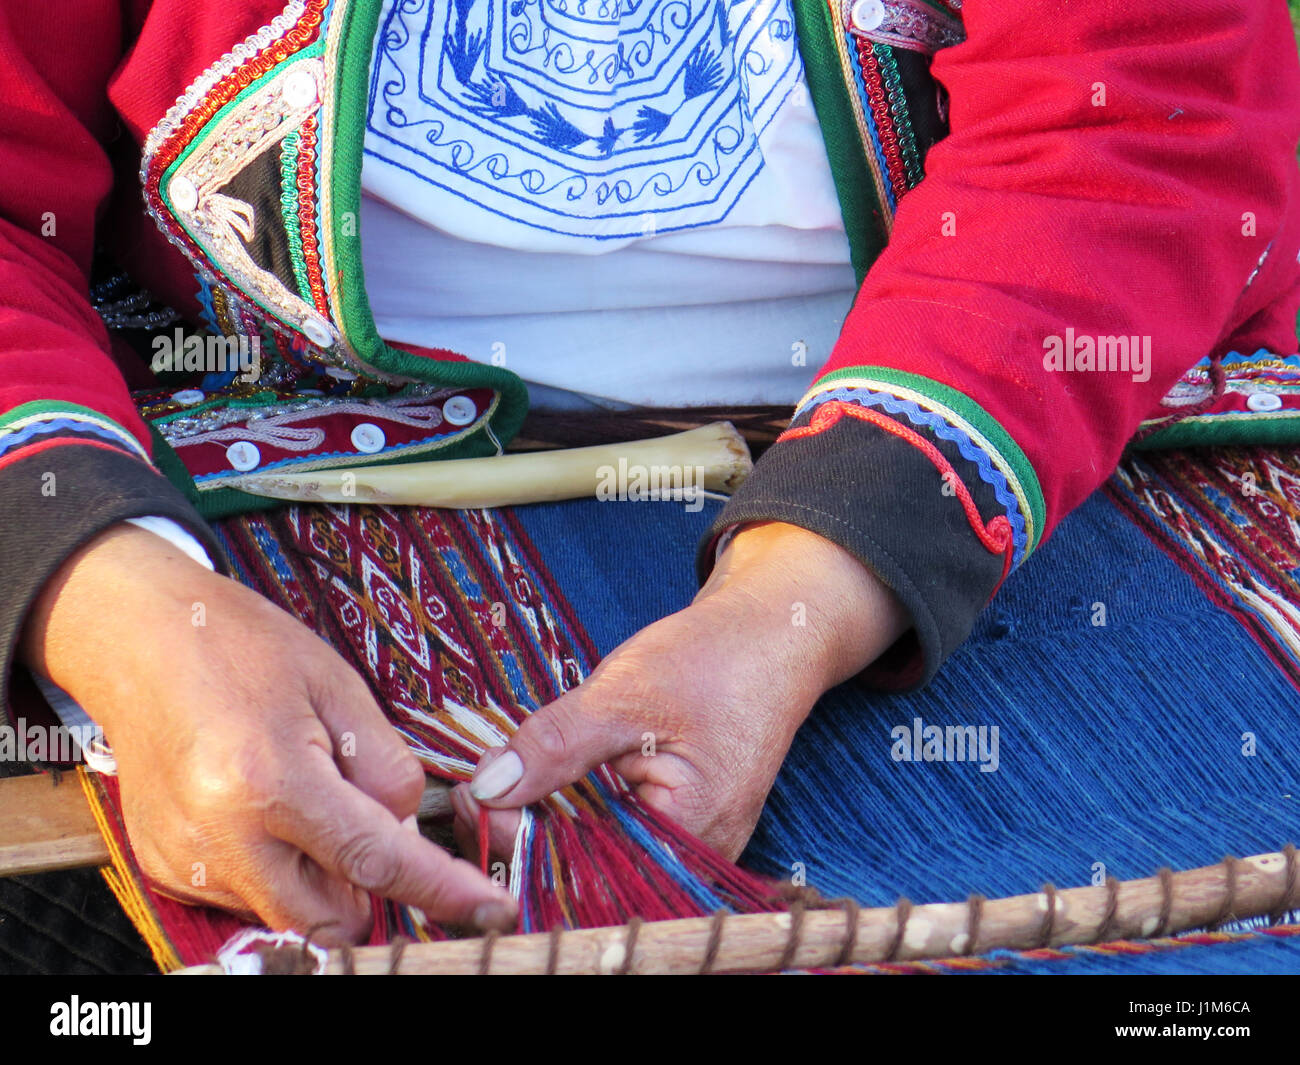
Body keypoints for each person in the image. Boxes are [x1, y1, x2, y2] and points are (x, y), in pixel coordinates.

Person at [3, 0, 1298, 946]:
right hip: (265, 483)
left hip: (1029, 434)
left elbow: (1140, 109)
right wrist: (122, 610)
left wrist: (802, 594)